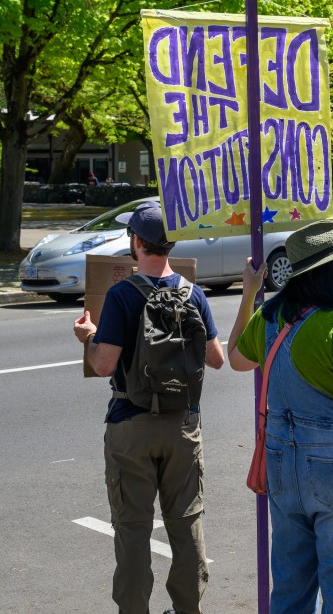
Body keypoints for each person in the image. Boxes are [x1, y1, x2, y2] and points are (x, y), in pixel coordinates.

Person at [227, 220, 333, 613]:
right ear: (327, 272)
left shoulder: (269, 319)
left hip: (282, 467)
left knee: (290, 591)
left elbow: (235, 358)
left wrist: (249, 292)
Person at [71, 201, 225, 614]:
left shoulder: (122, 295)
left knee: (133, 531)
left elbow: (104, 364)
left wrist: (88, 335)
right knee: (187, 524)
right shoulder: (194, 293)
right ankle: (188, 608)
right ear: (170, 244)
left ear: (136, 242)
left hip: (130, 424)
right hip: (183, 428)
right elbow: (216, 359)